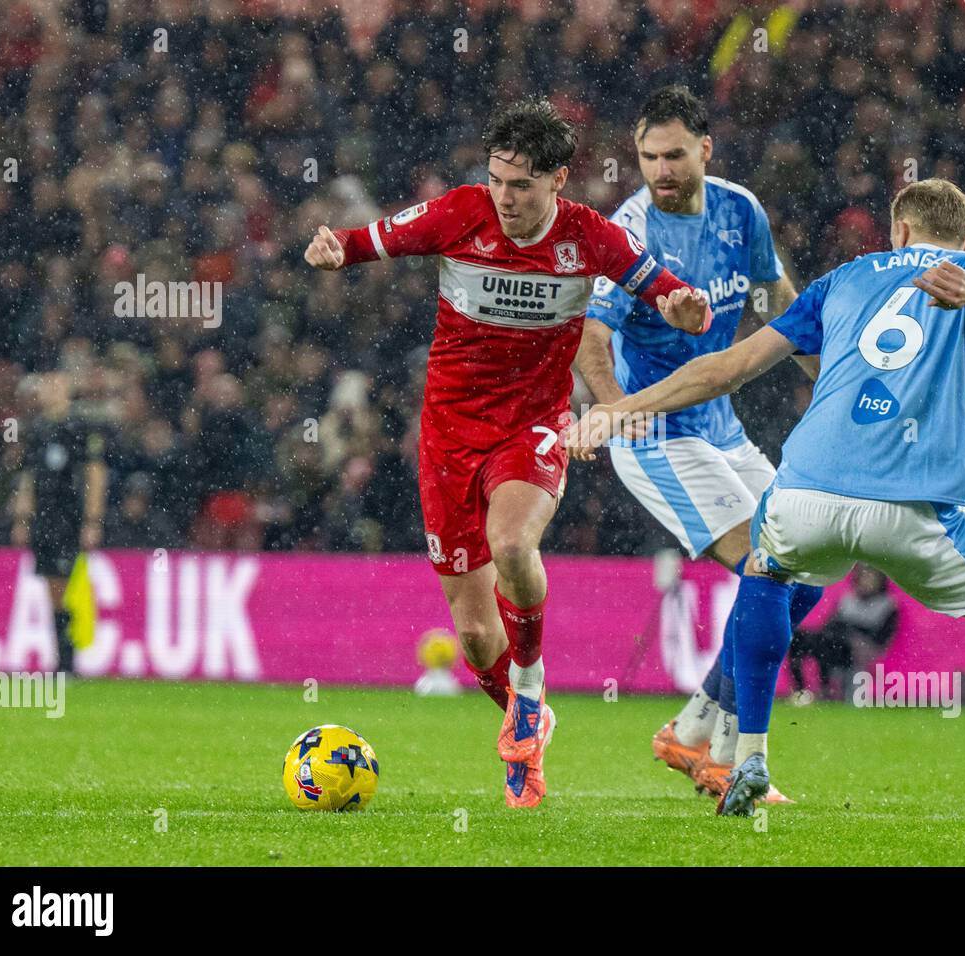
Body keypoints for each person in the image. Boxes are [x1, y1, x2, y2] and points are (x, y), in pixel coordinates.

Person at [569, 178, 965, 828]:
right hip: (911, 506)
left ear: (897, 231)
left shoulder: (840, 280)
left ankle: (746, 755)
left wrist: (618, 411)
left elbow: (727, 366)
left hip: (806, 491)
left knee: (767, 571)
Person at [304, 97, 711, 808]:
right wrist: (336, 249)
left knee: (514, 546)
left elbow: (660, 288)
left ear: (558, 180)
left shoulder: (590, 237)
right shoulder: (460, 213)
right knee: (470, 630)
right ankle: (531, 713)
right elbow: (367, 240)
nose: (505, 196)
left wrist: (680, 306)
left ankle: (528, 696)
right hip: (446, 438)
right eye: (497, 178)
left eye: (521, 184)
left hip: (532, 427)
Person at [575, 85, 821, 802]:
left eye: (675, 154)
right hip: (658, 435)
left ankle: (690, 728)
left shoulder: (742, 212)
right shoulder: (629, 234)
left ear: (705, 150)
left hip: (724, 428)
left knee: (809, 568)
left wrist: (831, 385)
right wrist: (617, 411)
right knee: (769, 569)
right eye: (648, 157)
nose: (661, 170)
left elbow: (781, 307)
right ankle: (723, 752)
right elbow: (592, 339)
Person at [10, 373, 109, 674]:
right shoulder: (38, 428)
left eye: (56, 386)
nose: (49, 391)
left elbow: (94, 472)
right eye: (46, 386)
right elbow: (30, 476)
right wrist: (22, 518)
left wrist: (92, 520)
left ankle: (69, 658)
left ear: (68, 391)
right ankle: (62, 659)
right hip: (45, 517)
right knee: (50, 585)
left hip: (70, 516)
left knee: (67, 583)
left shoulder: (79, 427)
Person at [788, 566, 897, 702]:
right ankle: (800, 690)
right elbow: (830, 623)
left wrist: (853, 635)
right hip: (835, 639)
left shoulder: (887, 604)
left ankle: (825, 690)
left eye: (871, 578)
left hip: (858, 645)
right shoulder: (848, 598)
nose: (867, 581)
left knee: (829, 643)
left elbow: (881, 638)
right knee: (799, 638)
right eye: (864, 577)